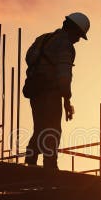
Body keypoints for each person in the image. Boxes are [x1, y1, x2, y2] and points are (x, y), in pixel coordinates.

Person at [23, 12, 89, 170]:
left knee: (39, 127)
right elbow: (64, 75)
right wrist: (67, 99)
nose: (78, 40)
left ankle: (30, 161)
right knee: (53, 129)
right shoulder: (65, 45)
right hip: (50, 92)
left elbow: (29, 59)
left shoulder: (43, 38)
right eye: (79, 35)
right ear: (73, 30)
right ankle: (50, 165)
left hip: (35, 91)